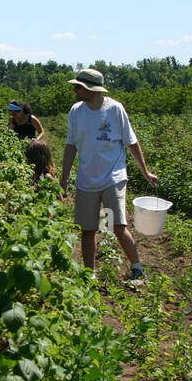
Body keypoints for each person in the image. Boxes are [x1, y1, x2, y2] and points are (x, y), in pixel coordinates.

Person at [58, 68, 159, 286]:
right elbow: (70, 146)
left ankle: (137, 269)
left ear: (89, 89)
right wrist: (63, 179)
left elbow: (131, 142)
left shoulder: (115, 109)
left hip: (113, 176)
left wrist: (145, 171)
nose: (74, 90)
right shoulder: (76, 111)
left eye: (77, 87)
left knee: (117, 225)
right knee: (88, 229)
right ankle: (89, 274)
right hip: (86, 179)